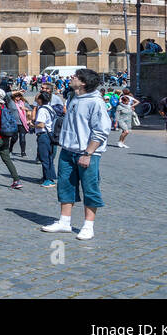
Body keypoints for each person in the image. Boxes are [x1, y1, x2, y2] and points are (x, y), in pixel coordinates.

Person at [41, 67, 110, 241]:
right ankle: (64, 222)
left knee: (90, 188)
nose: (72, 77)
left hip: (87, 153)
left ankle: (88, 226)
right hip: (68, 150)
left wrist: (88, 153)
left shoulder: (96, 102)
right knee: (65, 186)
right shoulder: (73, 97)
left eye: (76, 76)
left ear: (84, 83)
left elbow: (101, 130)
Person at [33, 90, 57, 187]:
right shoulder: (50, 108)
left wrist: (32, 125)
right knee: (49, 157)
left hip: (43, 135)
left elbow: (41, 124)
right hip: (50, 134)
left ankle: (48, 179)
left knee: (44, 157)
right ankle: (47, 176)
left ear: (40, 100)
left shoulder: (42, 110)